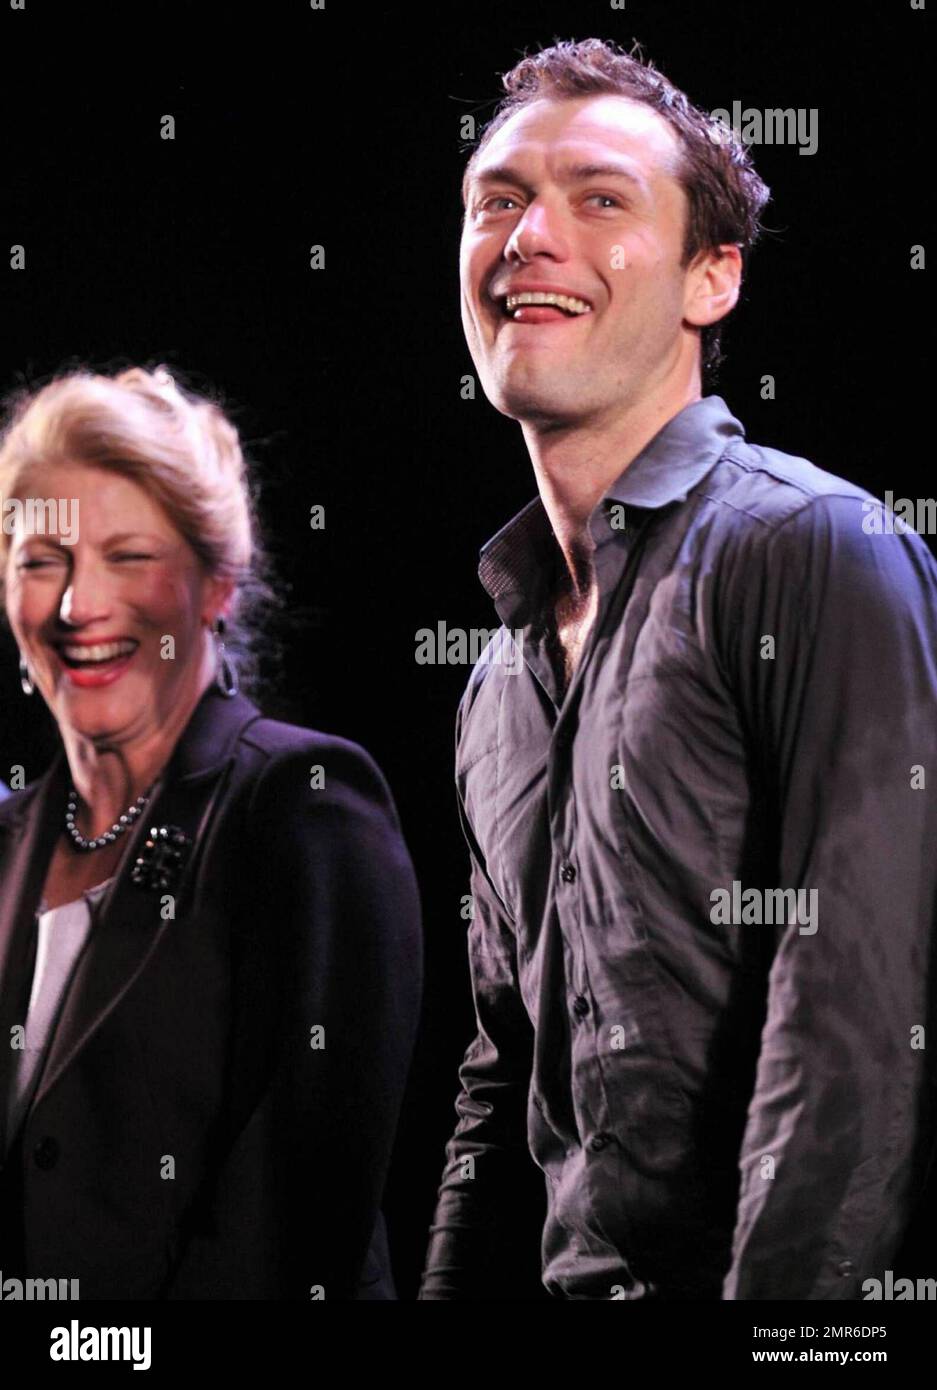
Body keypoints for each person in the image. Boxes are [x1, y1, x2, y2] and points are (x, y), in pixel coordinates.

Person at [419, 38, 937, 1300]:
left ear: (714, 278)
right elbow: (501, 1082)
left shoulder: (814, 547)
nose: (529, 236)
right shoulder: (497, 683)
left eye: (600, 199)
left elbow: (854, 1031)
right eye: (499, 199)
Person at [0, 364, 422, 1299]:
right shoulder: (8, 843)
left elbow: (292, 1226)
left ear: (216, 585)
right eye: (42, 559)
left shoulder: (305, 808)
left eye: (128, 555)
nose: (79, 606)